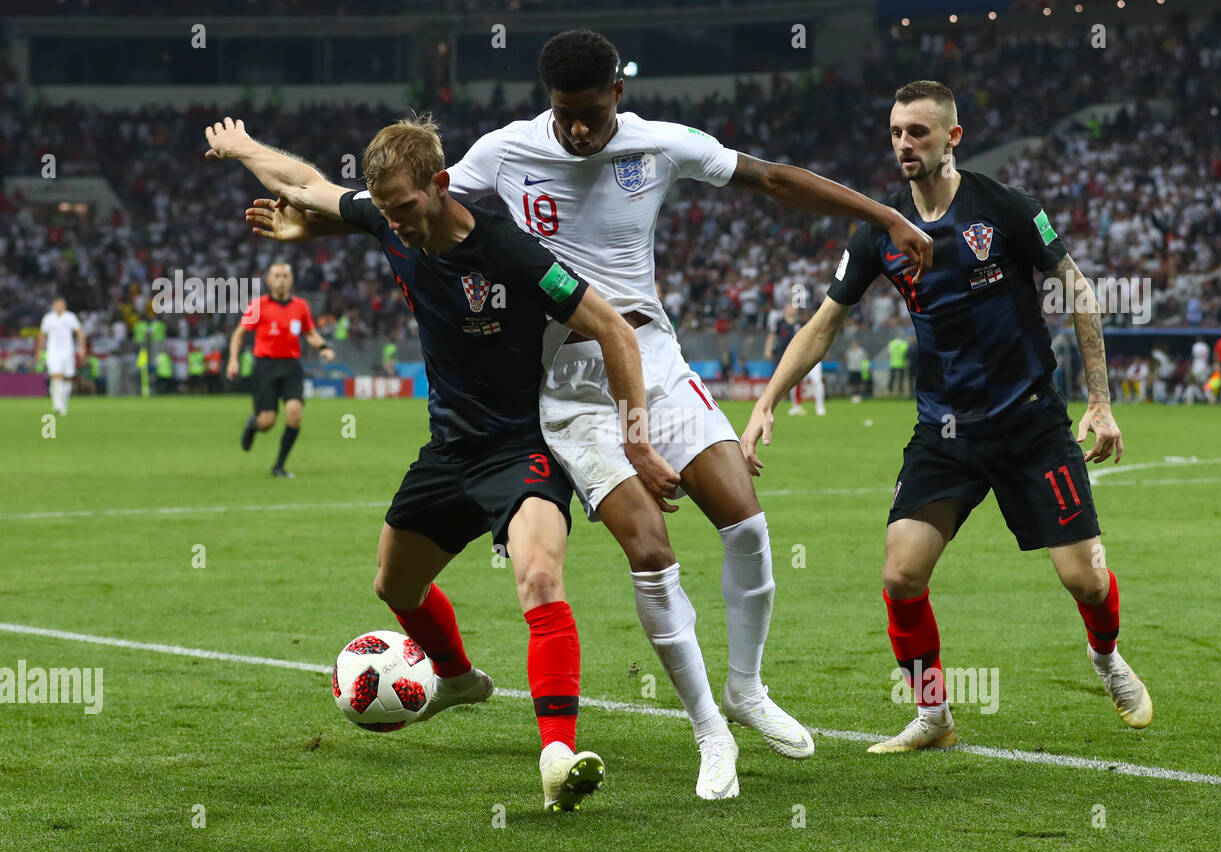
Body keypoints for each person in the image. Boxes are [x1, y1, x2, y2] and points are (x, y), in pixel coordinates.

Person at [245, 30, 934, 798]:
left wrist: (886, 217)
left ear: (618, 94)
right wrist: (304, 210)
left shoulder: (660, 144)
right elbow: (406, 207)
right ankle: (709, 729)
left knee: (744, 516)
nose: (575, 130)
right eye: (563, 114)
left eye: (589, 113)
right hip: (568, 385)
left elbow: (772, 179)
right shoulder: (503, 152)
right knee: (649, 544)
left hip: (653, 357)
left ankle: (746, 687)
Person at [207, 113, 672, 812]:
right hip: (448, 448)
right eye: (382, 209)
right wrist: (243, 149)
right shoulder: (389, 218)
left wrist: (636, 436)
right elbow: (305, 185)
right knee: (396, 584)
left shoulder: (511, 253)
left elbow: (611, 328)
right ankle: (456, 677)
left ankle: (556, 755)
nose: (391, 222)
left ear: (439, 183)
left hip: (522, 448)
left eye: (401, 207)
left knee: (540, 577)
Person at [742, 80, 1152, 752]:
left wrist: (1100, 402)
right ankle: (933, 715)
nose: (905, 144)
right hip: (945, 431)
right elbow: (825, 323)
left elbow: (1078, 291)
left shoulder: (1007, 208)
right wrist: (766, 400)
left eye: (919, 132)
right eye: (898, 131)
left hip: (1029, 424)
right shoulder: (881, 229)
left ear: (952, 137)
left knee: (1085, 576)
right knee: (901, 574)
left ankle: (1106, 656)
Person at [225, 262, 336, 477]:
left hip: (291, 366)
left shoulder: (301, 306)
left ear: (291, 280)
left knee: (294, 415)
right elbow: (239, 334)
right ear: (269, 280)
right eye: (277, 276)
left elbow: (310, 332)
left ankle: (279, 466)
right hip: (265, 366)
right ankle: (252, 425)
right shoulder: (258, 305)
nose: (281, 280)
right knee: (267, 422)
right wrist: (233, 360)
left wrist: (323, 347)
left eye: (285, 275)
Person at [766, 303, 824, 415]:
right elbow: (772, 336)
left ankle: (820, 407)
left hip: (809, 356)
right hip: (792, 358)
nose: (792, 309)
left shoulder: (802, 323)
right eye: (789, 307)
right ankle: (796, 406)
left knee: (817, 381)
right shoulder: (780, 323)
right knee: (793, 383)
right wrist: (768, 349)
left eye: (793, 307)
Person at [36, 296, 85, 416]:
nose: (59, 306)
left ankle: (63, 403)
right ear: (53, 305)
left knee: (67, 377)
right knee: (56, 375)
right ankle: (57, 403)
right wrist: (38, 350)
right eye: (57, 304)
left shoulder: (70, 317)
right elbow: (42, 335)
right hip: (53, 351)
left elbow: (79, 333)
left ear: (65, 305)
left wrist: (82, 348)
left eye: (61, 304)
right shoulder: (48, 318)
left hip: (68, 351)